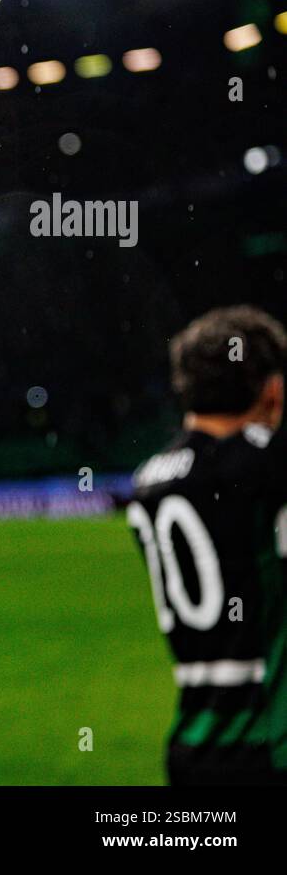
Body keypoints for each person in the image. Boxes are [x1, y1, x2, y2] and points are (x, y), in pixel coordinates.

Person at [127, 305, 287, 784]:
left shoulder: (149, 482)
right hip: (267, 744)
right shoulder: (265, 468)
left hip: (193, 745)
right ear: (272, 390)